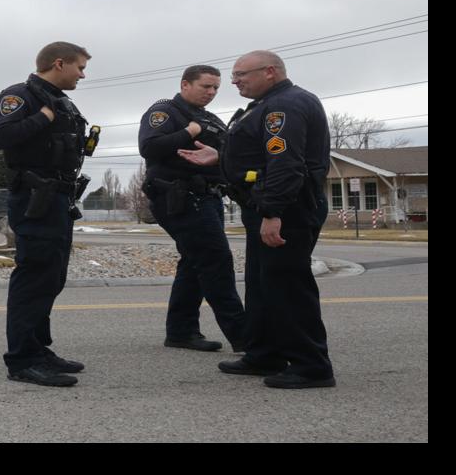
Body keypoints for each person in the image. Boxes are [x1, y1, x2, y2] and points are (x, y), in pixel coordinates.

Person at [178, 50, 335, 389]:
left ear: (269, 72)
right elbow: (261, 158)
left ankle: (311, 366)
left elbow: (286, 164)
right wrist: (220, 158)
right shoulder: (269, 104)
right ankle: (265, 354)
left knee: (288, 288)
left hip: (287, 208)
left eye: (240, 74)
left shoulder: (285, 107)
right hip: (267, 205)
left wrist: (273, 212)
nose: (234, 81)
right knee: (263, 286)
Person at [0, 41, 96, 388]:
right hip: (36, 196)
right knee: (34, 276)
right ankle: (22, 360)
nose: (83, 74)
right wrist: (41, 117)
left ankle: (39, 348)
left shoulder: (61, 100)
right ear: (58, 63)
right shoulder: (21, 95)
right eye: (79, 67)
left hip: (59, 199)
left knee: (53, 276)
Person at [138, 65, 248, 354]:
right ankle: (246, 337)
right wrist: (190, 131)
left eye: (215, 88)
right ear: (185, 84)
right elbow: (149, 147)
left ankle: (181, 331)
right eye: (205, 86)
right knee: (215, 261)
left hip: (208, 197)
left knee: (194, 262)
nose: (211, 92)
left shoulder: (211, 118)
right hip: (180, 198)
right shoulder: (166, 112)